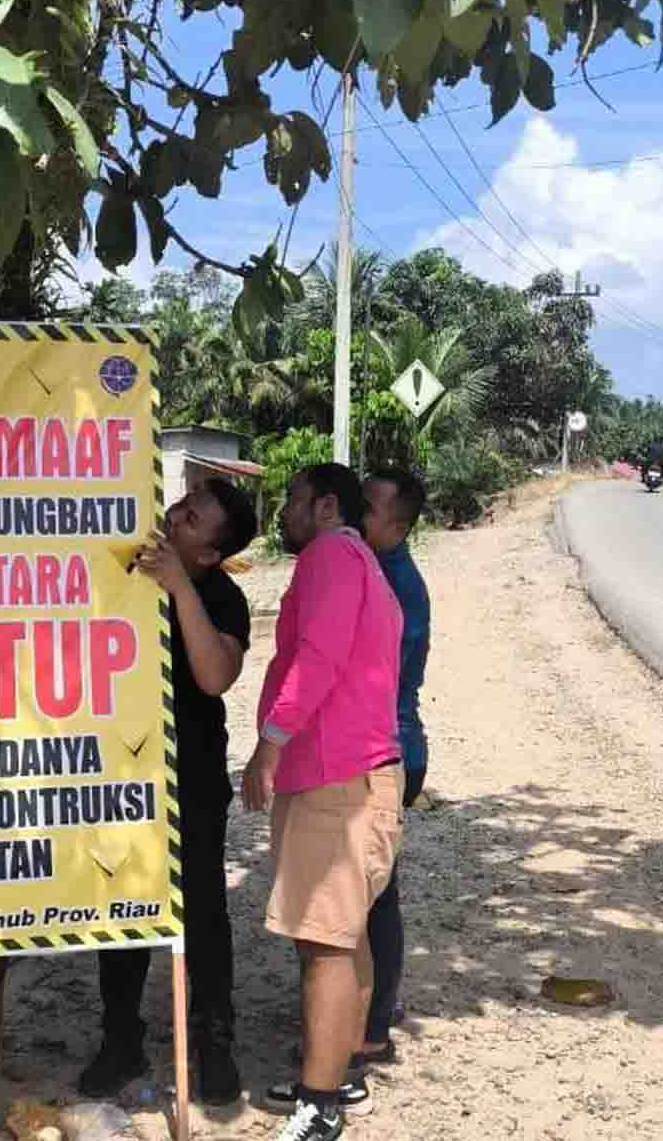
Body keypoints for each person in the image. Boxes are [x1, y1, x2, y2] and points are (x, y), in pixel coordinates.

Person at [79, 477, 258, 1106]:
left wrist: (179, 588)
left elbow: (215, 676)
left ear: (209, 553)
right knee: (119, 910)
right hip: (118, 776)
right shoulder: (120, 571)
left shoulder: (224, 597)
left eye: (189, 518)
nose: (172, 518)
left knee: (203, 915)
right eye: (179, 508)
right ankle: (120, 1040)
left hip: (193, 778)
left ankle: (213, 1042)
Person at [241, 463, 403, 1141]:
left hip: (337, 777)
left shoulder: (331, 554)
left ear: (326, 505)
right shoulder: (361, 561)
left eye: (293, 500)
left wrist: (269, 747)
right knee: (346, 936)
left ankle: (319, 1105)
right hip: (353, 772)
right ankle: (340, 1074)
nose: (284, 511)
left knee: (324, 943)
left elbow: (318, 656)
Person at [356, 469, 431, 1067]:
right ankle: (372, 1006)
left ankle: (374, 1028)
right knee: (373, 889)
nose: (359, 512)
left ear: (399, 527)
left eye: (371, 507)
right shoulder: (375, 565)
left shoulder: (395, 583)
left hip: (389, 745)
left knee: (375, 893)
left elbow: (377, 679)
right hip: (390, 742)